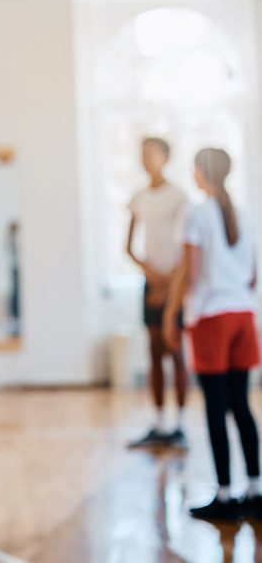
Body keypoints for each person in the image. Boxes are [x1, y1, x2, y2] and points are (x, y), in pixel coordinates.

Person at [164, 148, 258, 522]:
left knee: (217, 410)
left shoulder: (197, 213)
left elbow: (189, 271)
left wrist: (171, 313)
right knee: (242, 406)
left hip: (211, 318)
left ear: (203, 171)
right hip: (243, 314)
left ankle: (223, 495)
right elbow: (253, 275)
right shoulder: (247, 216)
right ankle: (255, 489)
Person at [126, 137, 189, 450]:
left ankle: (180, 424)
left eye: (149, 153)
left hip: (173, 284)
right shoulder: (139, 197)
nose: (144, 159)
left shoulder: (178, 197)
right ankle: (159, 423)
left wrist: (169, 286)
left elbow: (185, 248)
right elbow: (129, 247)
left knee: (176, 351)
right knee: (153, 354)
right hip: (152, 284)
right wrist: (153, 278)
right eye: (141, 153)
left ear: (165, 157)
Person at [7, 221, 21, 337]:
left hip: (18, 269)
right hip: (16, 268)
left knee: (18, 294)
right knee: (15, 294)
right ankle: (15, 319)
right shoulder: (13, 240)